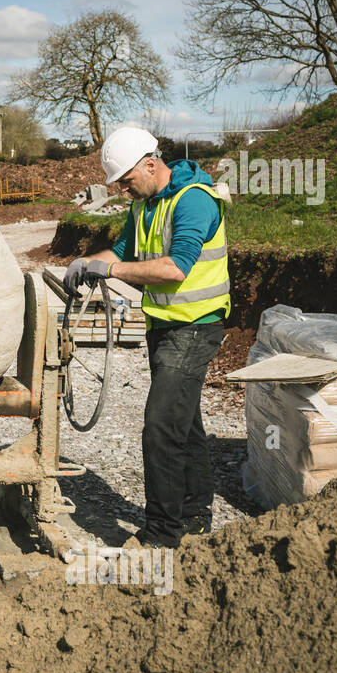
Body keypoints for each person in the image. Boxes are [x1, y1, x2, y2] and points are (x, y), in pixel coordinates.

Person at [63, 126, 230, 546]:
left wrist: (111, 272)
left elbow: (175, 268)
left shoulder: (193, 201)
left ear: (151, 165)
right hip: (164, 324)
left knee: (160, 426)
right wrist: (87, 262)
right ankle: (194, 517)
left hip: (196, 325)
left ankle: (162, 534)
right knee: (185, 425)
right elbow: (121, 254)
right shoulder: (146, 205)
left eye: (126, 180)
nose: (122, 189)